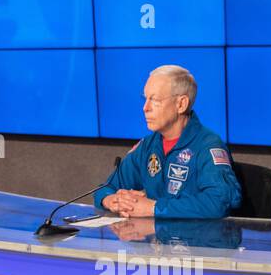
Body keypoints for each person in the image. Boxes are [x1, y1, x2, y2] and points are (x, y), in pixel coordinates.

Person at [95, 65, 241, 219]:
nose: (145, 108)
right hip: (155, 239)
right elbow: (106, 188)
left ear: (181, 104)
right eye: (145, 99)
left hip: (197, 240)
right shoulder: (147, 146)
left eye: (155, 100)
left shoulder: (208, 145)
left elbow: (220, 201)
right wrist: (113, 200)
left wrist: (153, 208)